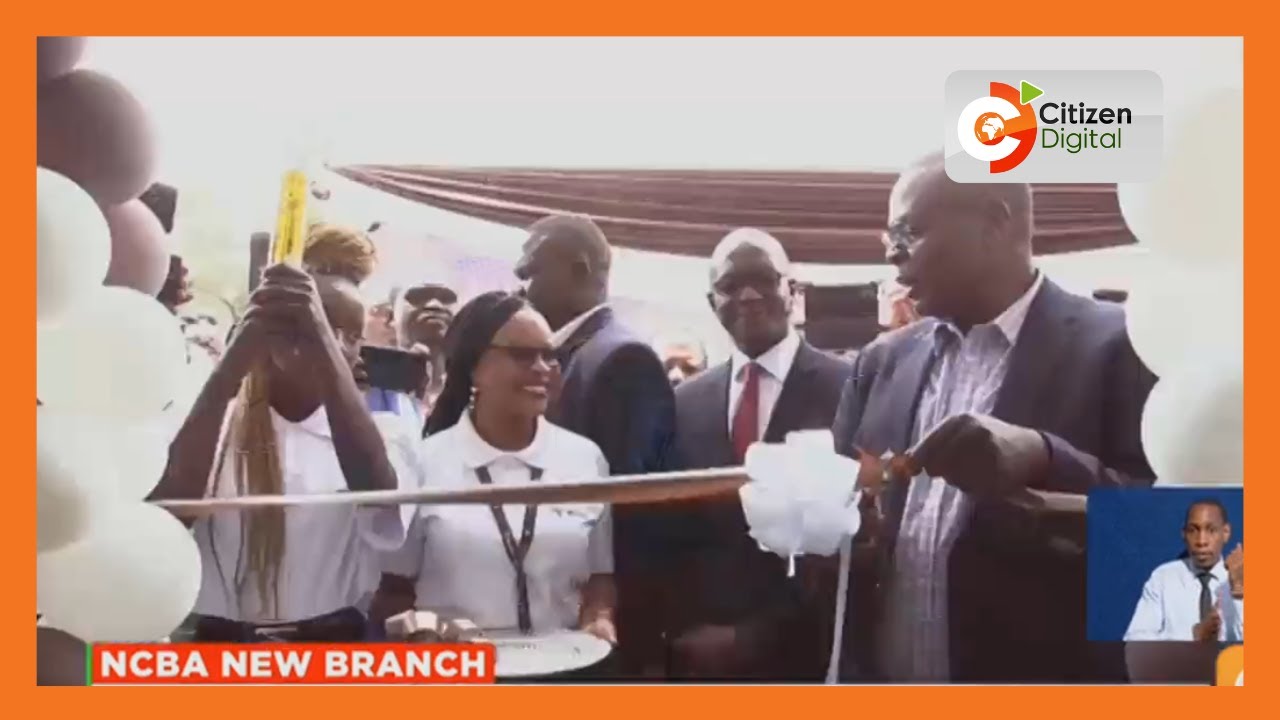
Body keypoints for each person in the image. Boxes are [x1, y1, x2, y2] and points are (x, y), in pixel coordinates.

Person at [831, 153, 1157, 683]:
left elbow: (1190, 546)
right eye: (890, 237)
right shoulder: (879, 363)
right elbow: (845, 520)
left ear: (994, 221)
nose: (892, 254)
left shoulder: (1123, 346)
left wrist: (1046, 458)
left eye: (909, 232)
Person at [152, 227, 417, 642]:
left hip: (332, 646)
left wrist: (321, 340)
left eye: (351, 336)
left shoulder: (385, 431)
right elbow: (171, 514)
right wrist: (235, 361)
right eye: (314, 325)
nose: (335, 343)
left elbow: (378, 494)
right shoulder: (213, 420)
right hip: (222, 648)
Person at [379, 291, 617, 655]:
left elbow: (599, 577)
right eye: (522, 355)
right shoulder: (425, 463)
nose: (542, 368)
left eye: (549, 355)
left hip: (563, 670)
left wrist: (598, 620)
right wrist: (422, 642)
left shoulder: (585, 459)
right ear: (474, 365)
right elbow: (395, 590)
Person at [665, 228, 852, 680]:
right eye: (730, 285)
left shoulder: (847, 387)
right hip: (700, 658)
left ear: (793, 291)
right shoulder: (685, 402)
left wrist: (757, 637)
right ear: (712, 302)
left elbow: (850, 537)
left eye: (764, 280)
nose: (748, 296)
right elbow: (675, 530)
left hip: (808, 656)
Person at [514, 214, 676, 676]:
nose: (521, 286)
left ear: (580, 269)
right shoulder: (571, 356)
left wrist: (605, 617)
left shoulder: (621, 358)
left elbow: (628, 511)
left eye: (530, 270)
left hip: (599, 630)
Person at [1125, 499, 1243, 642]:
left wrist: (1239, 595)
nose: (1201, 541)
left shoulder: (1242, 579)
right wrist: (1193, 635)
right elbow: (1134, 642)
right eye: (1193, 530)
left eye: (1211, 530)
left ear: (1225, 532)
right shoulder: (1163, 578)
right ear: (1184, 534)